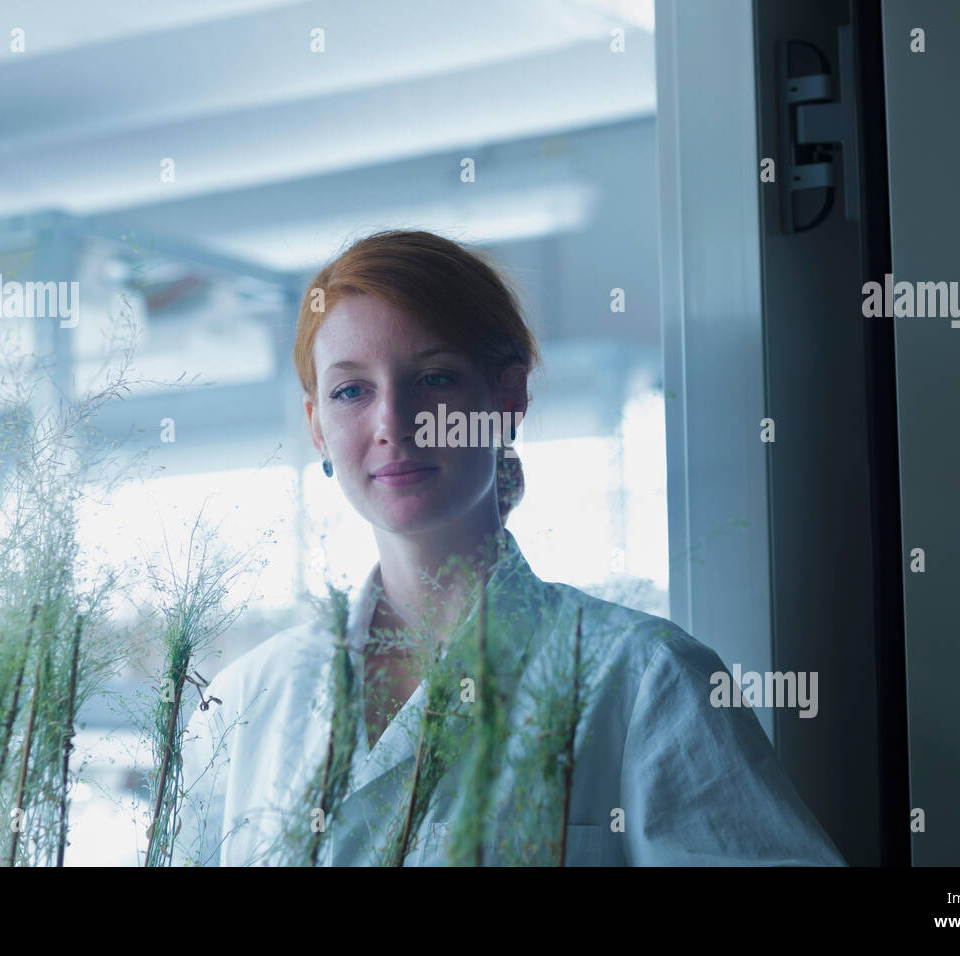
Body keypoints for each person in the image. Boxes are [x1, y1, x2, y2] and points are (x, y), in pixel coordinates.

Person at [173, 229, 846, 866]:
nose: (392, 424)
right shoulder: (245, 703)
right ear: (317, 427)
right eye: (351, 391)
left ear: (507, 397)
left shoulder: (645, 681)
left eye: (434, 378)